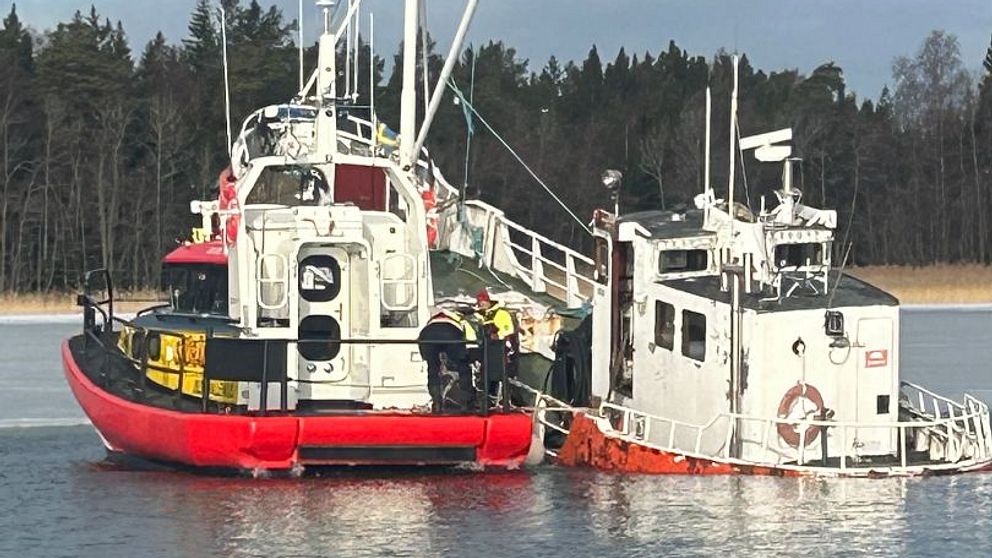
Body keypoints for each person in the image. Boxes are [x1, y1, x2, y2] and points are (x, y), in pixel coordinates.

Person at [417, 309, 477, 413]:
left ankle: (437, 402)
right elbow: (471, 341)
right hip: (451, 332)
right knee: (463, 368)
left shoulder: (433, 318)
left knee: (433, 368)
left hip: (427, 333)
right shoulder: (462, 321)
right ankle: (466, 402)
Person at [473, 289, 521, 396]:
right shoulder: (483, 316)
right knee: (486, 374)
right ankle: (488, 397)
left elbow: (509, 329)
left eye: (483, 302)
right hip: (487, 350)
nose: (481, 304)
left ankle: (504, 397)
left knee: (501, 374)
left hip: (500, 349)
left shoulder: (501, 314)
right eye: (479, 303)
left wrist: (498, 335)